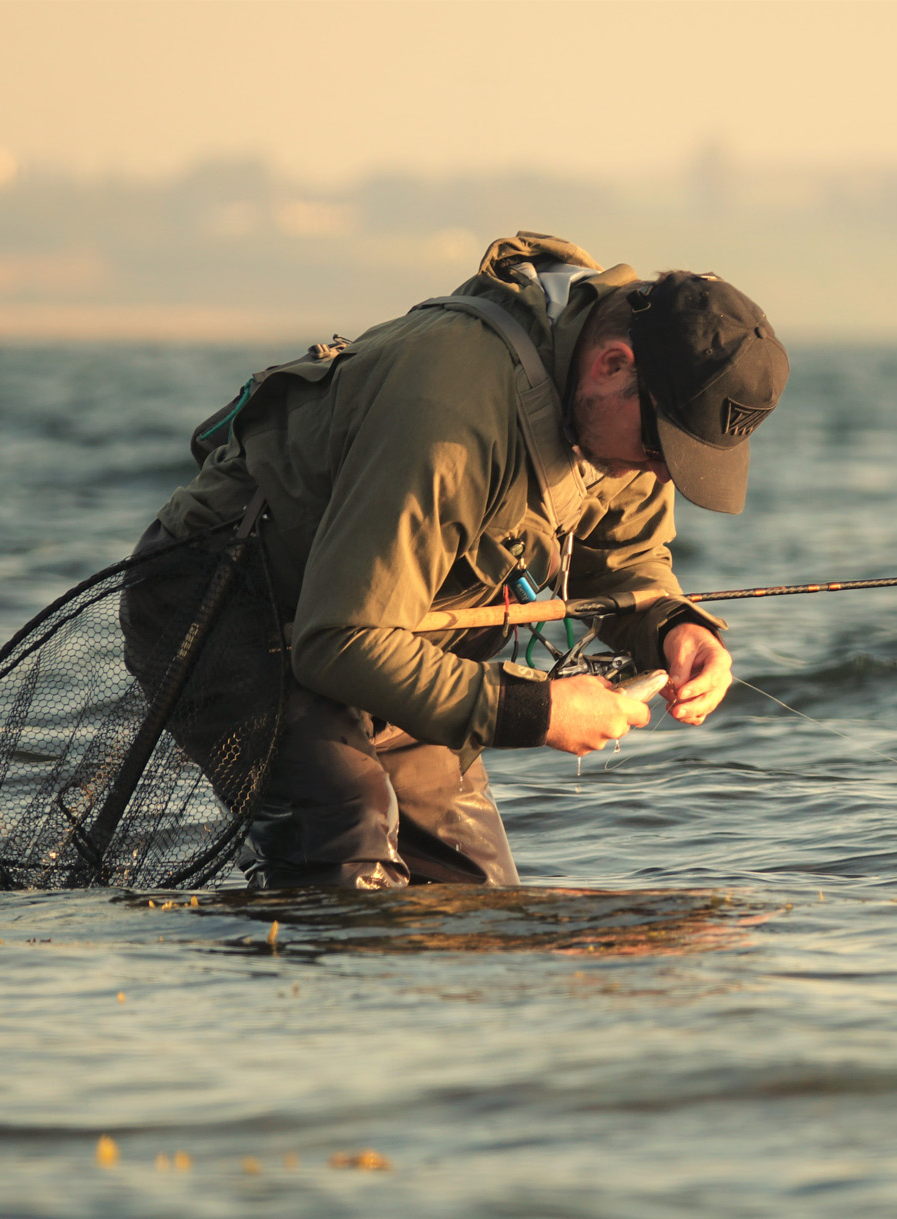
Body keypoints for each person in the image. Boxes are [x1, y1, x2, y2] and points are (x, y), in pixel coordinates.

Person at [137, 232, 789, 889]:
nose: (657, 472)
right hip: (219, 606)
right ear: (612, 364)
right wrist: (540, 712)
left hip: (387, 634)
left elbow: (623, 557)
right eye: (659, 447)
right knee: (346, 832)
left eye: (682, 460)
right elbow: (339, 642)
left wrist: (675, 628)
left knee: (476, 900)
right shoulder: (451, 412)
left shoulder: (630, 416)